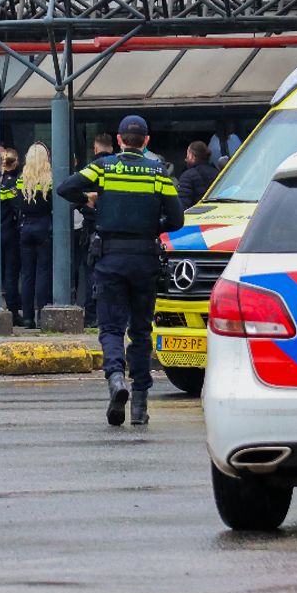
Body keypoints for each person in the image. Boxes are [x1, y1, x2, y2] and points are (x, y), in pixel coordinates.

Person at [57, 115, 184, 427]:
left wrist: (89, 203)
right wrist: (155, 225)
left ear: (118, 139)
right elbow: (177, 220)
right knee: (141, 331)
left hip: (110, 258)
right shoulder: (158, 172)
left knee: (111, 328)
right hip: (145, 259)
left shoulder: (104, 167)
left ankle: (116, 380)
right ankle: (140, 406)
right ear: (146, 141)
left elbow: (65, 188)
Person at [77, 132, 114, 327]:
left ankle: (92, 317)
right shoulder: (117, 168)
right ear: (112, 147)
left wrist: (87, 202)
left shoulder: (91, 168)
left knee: (91, 272)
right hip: (113, 228)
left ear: (95, 148)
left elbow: (73, 192)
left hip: (92, 228)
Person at [17, 141, 53, 328]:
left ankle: (28, 317)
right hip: (44, 227)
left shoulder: (21, 179)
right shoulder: (50, 179)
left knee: (27, 275)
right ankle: (42, 315)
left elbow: (17, 204)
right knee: (43, 272)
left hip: (26, 228)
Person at [0, 147, 22, 325]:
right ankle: (13, 312)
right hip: (10, 232)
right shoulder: (14, 183)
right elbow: (18, 207)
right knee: (11, 274)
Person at [178, 140, 219, 210]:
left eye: (187, 156)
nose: (185, 159)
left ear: (192, 156)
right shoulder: (218, 173)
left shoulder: (187, 176)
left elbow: (183, 205)